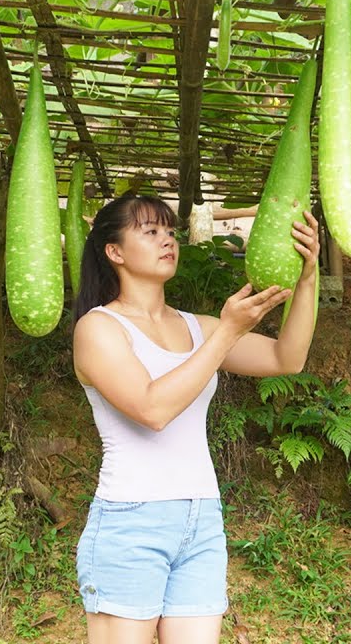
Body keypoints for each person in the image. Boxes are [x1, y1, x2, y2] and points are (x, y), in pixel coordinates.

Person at [71, 193, 320, 644]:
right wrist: (226, 331)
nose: (167, 240)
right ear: (115, 252)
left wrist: (308, 277)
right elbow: (152, 409)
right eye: (150, 232)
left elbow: (288, 358)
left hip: (201, 519)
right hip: (131, 521)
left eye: (170, 231)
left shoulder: (195, 327)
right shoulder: (99, 328)